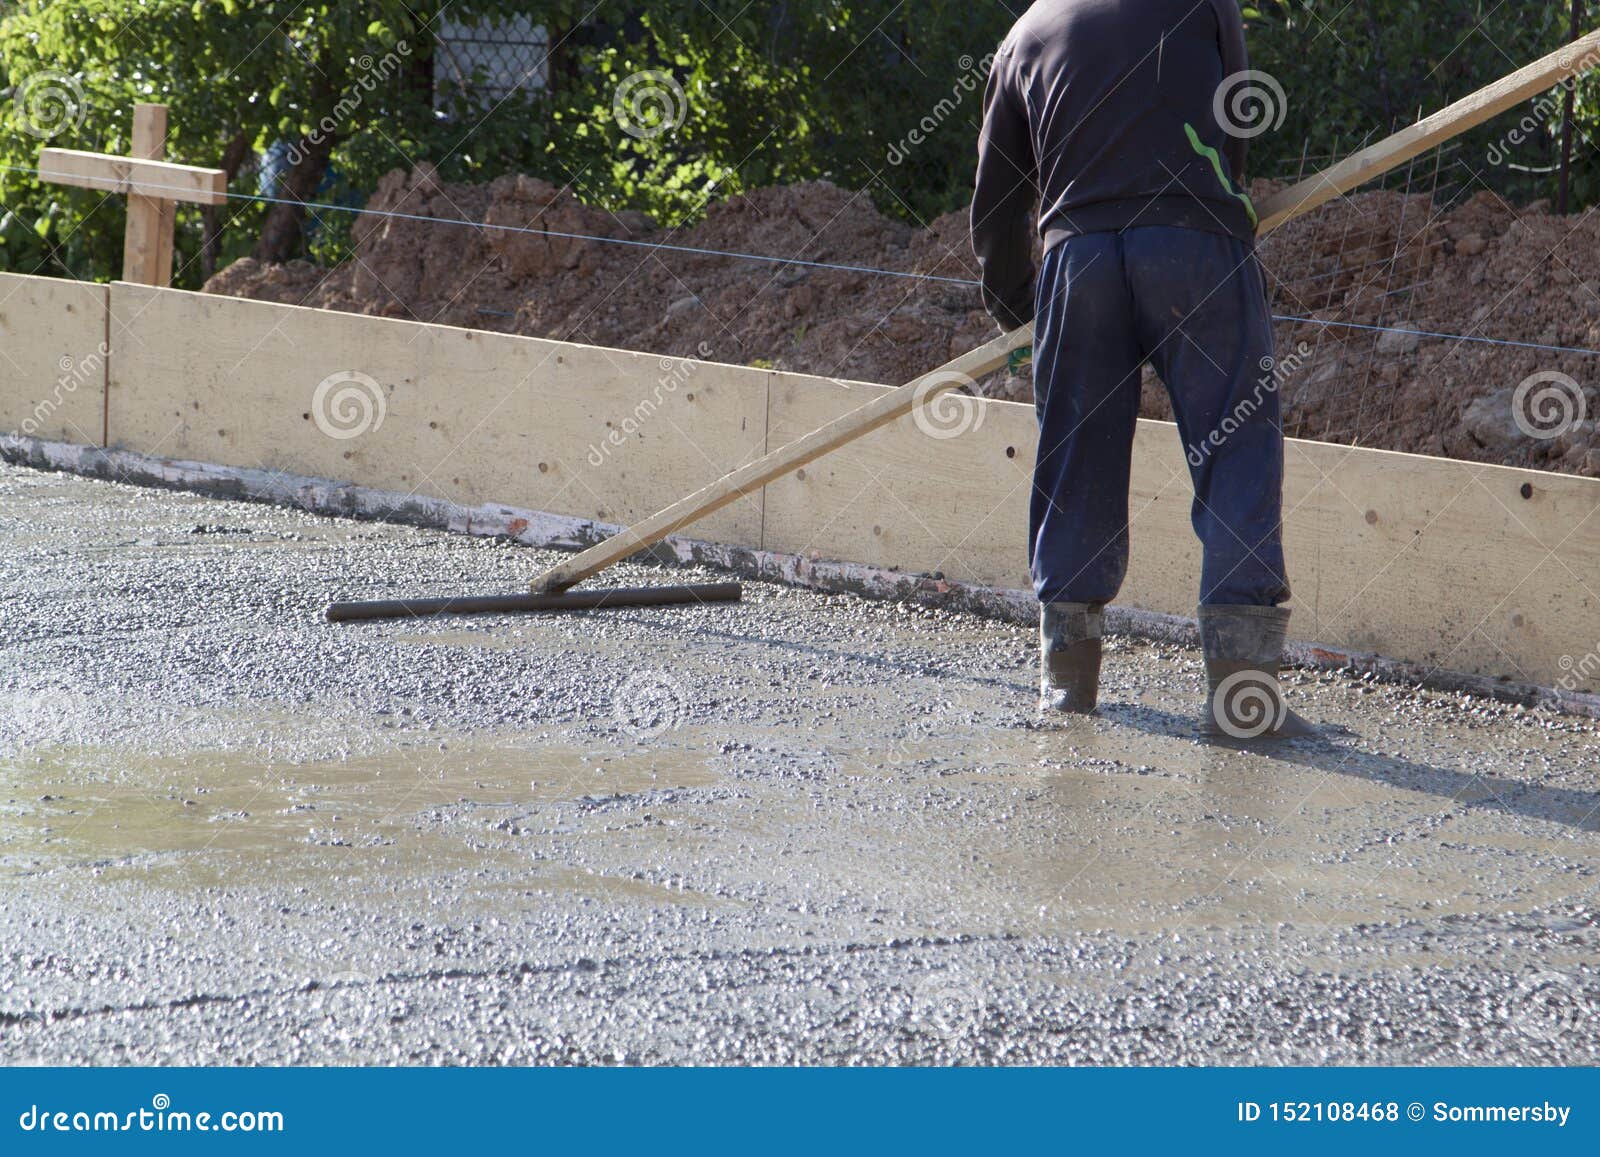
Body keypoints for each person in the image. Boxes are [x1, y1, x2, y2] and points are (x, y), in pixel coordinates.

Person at [971, 0, 1312, 740]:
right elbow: (1236, 113)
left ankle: (1067, 690)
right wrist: (1228, 199)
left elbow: (997, 207)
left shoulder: (1024, 34)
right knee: (1235, 451)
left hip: (1078, 257)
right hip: (1194, 244)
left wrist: (1015, 309)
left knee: (1075, 459)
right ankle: (1243, 705)